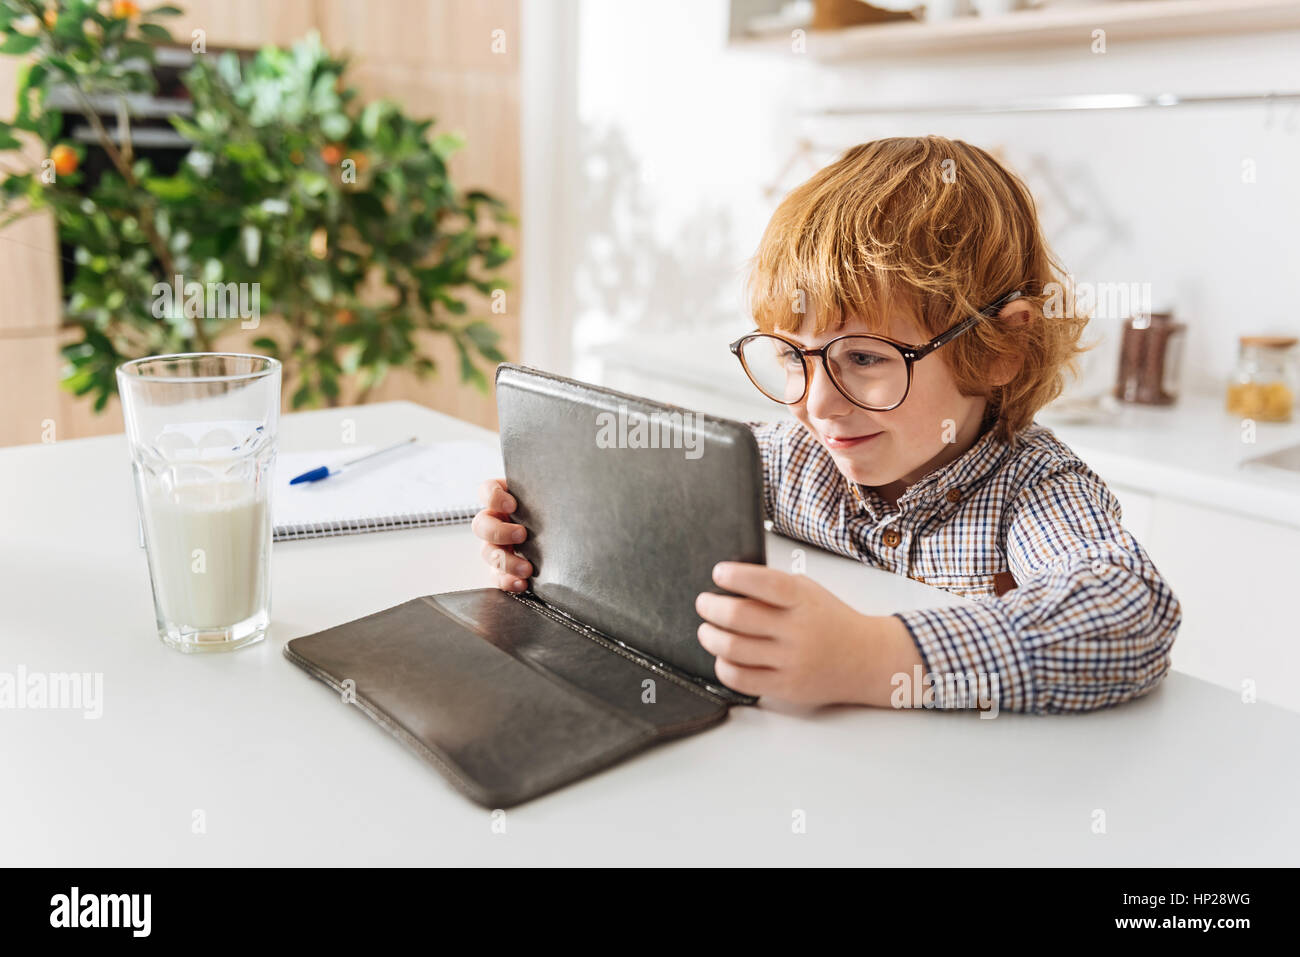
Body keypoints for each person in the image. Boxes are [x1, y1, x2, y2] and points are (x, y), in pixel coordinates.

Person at [473, 136, 1180, 714]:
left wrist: (870, 657)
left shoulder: (1030, 488)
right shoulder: (800, 456)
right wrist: (547, 527)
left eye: (865, 358)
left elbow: (1129, 613)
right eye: (791, 357)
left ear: (999, 349)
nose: (817, 404)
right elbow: (651, 493)